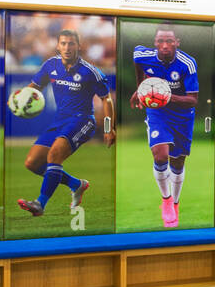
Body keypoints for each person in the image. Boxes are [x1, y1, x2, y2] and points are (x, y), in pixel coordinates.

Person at [16, 29, 116, 216]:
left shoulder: (91, 72)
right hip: (59, 121)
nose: (67, 47)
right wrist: (18, 99)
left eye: (71, 43)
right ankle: (76, 184)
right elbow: (34, 87)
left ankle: (39, 204)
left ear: (79, 46)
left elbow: (106, 99)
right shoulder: (50, 65)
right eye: (63, 43)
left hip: (83, 120)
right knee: (32, 163)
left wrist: (109, 128)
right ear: (57, 46)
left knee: (54, 156)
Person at [131, 26, 199, 228]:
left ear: (177, 42)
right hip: (158, 112)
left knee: (177, 163)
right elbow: (137, 61)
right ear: (155, 43)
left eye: (169, 41)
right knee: (160, 155)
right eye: (161, 41)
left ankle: (176, 203)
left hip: (182, 116)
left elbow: (193, 100)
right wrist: (141, 89)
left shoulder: (188, 63)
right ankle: (167, 200)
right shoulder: (143, 56)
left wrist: (166, 95)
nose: (165, 45)